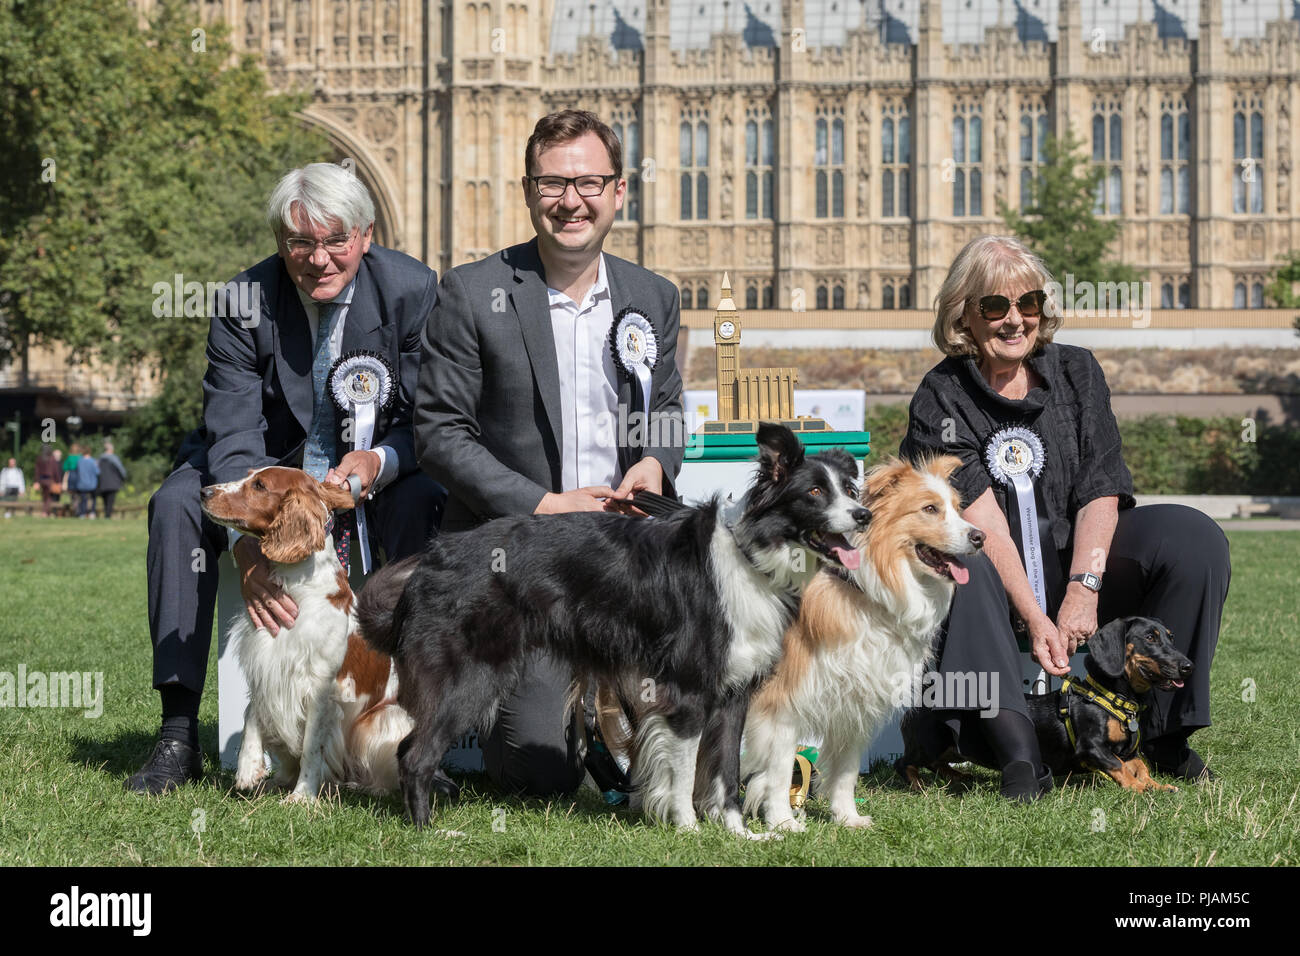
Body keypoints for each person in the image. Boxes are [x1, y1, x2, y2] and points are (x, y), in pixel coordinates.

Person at [126, 162, 447, 795]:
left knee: (427, 497)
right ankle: (177, 731)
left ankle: (416, 727)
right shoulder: (242, 300)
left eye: (336, 241)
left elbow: (429, 417)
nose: (319, 259)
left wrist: (380, 460)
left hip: (373, 469)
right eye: (301, 243)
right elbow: (234, 429)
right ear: (281, 242)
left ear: (366, 235)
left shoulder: (414, 290)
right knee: (172, 506)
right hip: (259, 471)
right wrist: (249, 548)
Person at [899, 235, 1229, 800]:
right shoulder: (940, 396)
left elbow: (1102, 486)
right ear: (964, 317)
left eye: (1027, 304)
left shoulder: (1077, 370)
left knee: (1191, 537)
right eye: (994, 307)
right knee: (968, 562)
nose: (1014, 320)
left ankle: (1163, 735)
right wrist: (1035, 614)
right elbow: (983, 524)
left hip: (1077, 558)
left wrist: (1084, 587)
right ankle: (1019, 755)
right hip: (993, 584)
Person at [416, 109, 686, 797]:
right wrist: (546, 505)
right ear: (530, 191)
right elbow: (440, 435)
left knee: (700, 737)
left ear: (619, 192)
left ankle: (621, 731)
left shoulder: (652, 296)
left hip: (631, 557)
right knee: (539, 775)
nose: (571, 200)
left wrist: (654, 465)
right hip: (525, 566)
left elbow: (668, 414)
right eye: (553, 183)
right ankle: (566, 736)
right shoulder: (473, 293)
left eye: (589, 182)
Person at [97, 440, 128, 519]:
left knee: (105, 500)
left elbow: (96, 470)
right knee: (110, 500)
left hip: (102, 482)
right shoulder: (114, 458)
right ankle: (108, 515)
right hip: (113, 482)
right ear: (111, 449)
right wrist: (124, 478)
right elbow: (121, 470)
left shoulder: (100, 458)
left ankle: (106, 515)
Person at [74, 445, 100, 518]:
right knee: (93, 499)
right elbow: (97, 472)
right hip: (92, 484)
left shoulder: (79, 461)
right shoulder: (93, 461)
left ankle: (82, 513)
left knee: (83, 500)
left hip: (81, 484)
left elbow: (77, 471)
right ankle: (92, 512)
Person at [35, 446, 61, 516]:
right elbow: (56, 471)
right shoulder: (52, 459)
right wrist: (58, 481)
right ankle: (45, 512)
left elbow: (37, 471)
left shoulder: (40, 458)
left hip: (42, 480)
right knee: (49, 497)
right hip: (50, 480)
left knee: (45, 496)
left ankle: (46, 512)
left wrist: (37, 481)